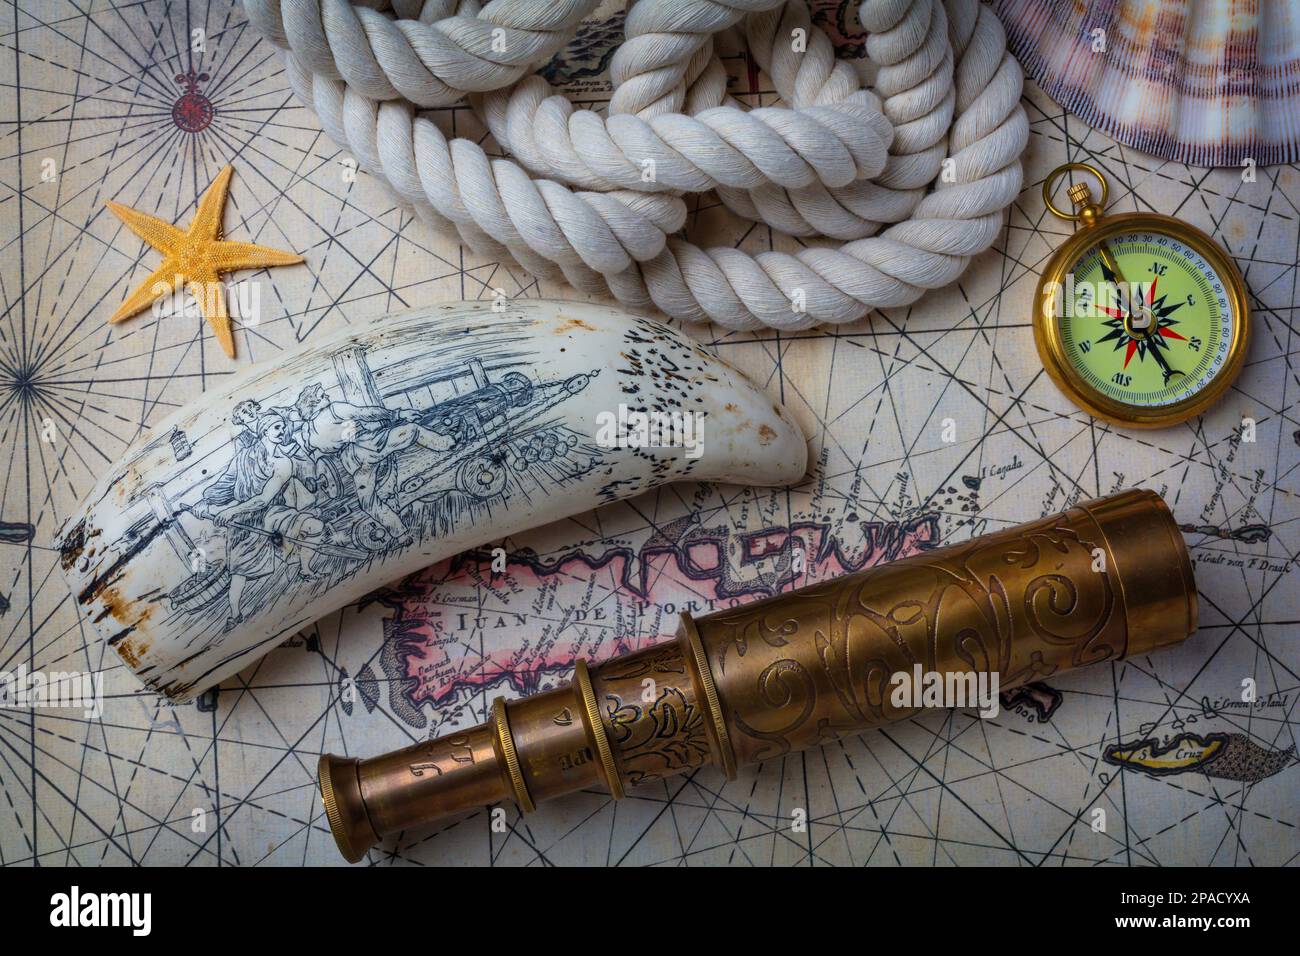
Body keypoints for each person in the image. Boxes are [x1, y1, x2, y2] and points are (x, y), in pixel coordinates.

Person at [193, 411, 324, 630]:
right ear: (264, 430)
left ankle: (306, 568)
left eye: (283, 427)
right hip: (243, 523)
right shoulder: (244, 457)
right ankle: (235, 614)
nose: (282, 431)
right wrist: (204, 502)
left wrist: (232, 511)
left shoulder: (284, 463)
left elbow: (264, 499)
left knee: (314, 526)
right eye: (276, 427)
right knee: (239, 573)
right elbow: (226, 483)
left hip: (273, 513)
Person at [293, 384, 454, 546]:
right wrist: (397, 414)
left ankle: (400, 535)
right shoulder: (334, 410)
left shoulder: (308, 431)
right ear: (314, 403)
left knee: (368, 502)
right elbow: (366, 413)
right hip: (369, 445)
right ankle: (447, 443)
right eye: (322, 396)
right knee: (412, 430)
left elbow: (317, 451)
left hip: (352, 462)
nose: (327, 397)